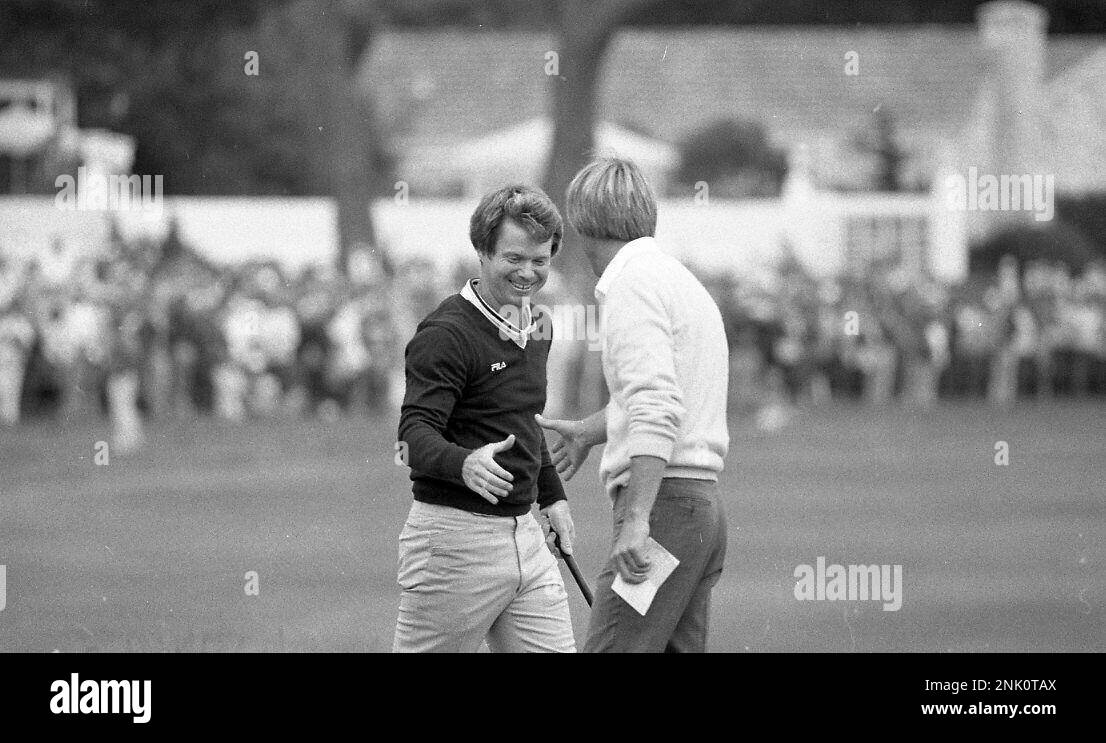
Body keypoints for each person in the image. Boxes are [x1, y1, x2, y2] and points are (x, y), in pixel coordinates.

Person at [537, 157, 729, 653]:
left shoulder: (630, 287)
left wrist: (639, 518)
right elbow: (667, 396)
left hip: (663, 509)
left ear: (581, 224)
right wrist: (594, 428)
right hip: (700, 508)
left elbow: (657, 404)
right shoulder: (676, 280)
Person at [392, 184, 577, 653]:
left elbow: (524, 423)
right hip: (453, 544)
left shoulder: (540, 326)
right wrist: (464, 463)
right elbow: (412, 436)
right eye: (514, 258)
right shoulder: (445, 334)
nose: (528, 273)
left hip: (526, 538)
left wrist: (551, 496)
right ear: (481, 251)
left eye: (540, 260)